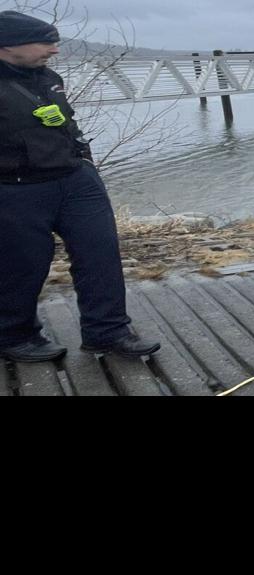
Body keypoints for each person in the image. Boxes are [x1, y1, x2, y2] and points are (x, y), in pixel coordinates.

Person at [0, 10, 161, 362]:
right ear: (8, 45)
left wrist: (83, 157)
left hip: (74, 180)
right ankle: (13, 336)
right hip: (15, 188)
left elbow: (67, 123)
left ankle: (108, 332)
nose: (54, 50)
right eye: (46, 42)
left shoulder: (48, 77)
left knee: (100, 255)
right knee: (22, 264)